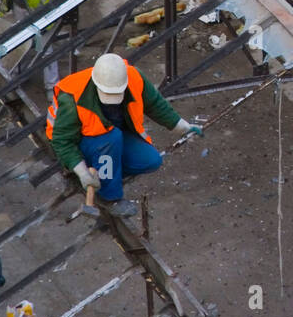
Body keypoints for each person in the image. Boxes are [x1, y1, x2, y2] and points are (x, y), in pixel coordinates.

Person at [47, 53, 201, 217]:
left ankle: (104, 171)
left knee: (151, 161)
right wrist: (82, 172)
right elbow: (62, 141)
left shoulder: (134, 77)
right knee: (110, 138)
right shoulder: (73, 96)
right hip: (80, 142)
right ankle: (108, 197)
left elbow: (156, 105)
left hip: (113, 137)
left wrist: (184, 127)